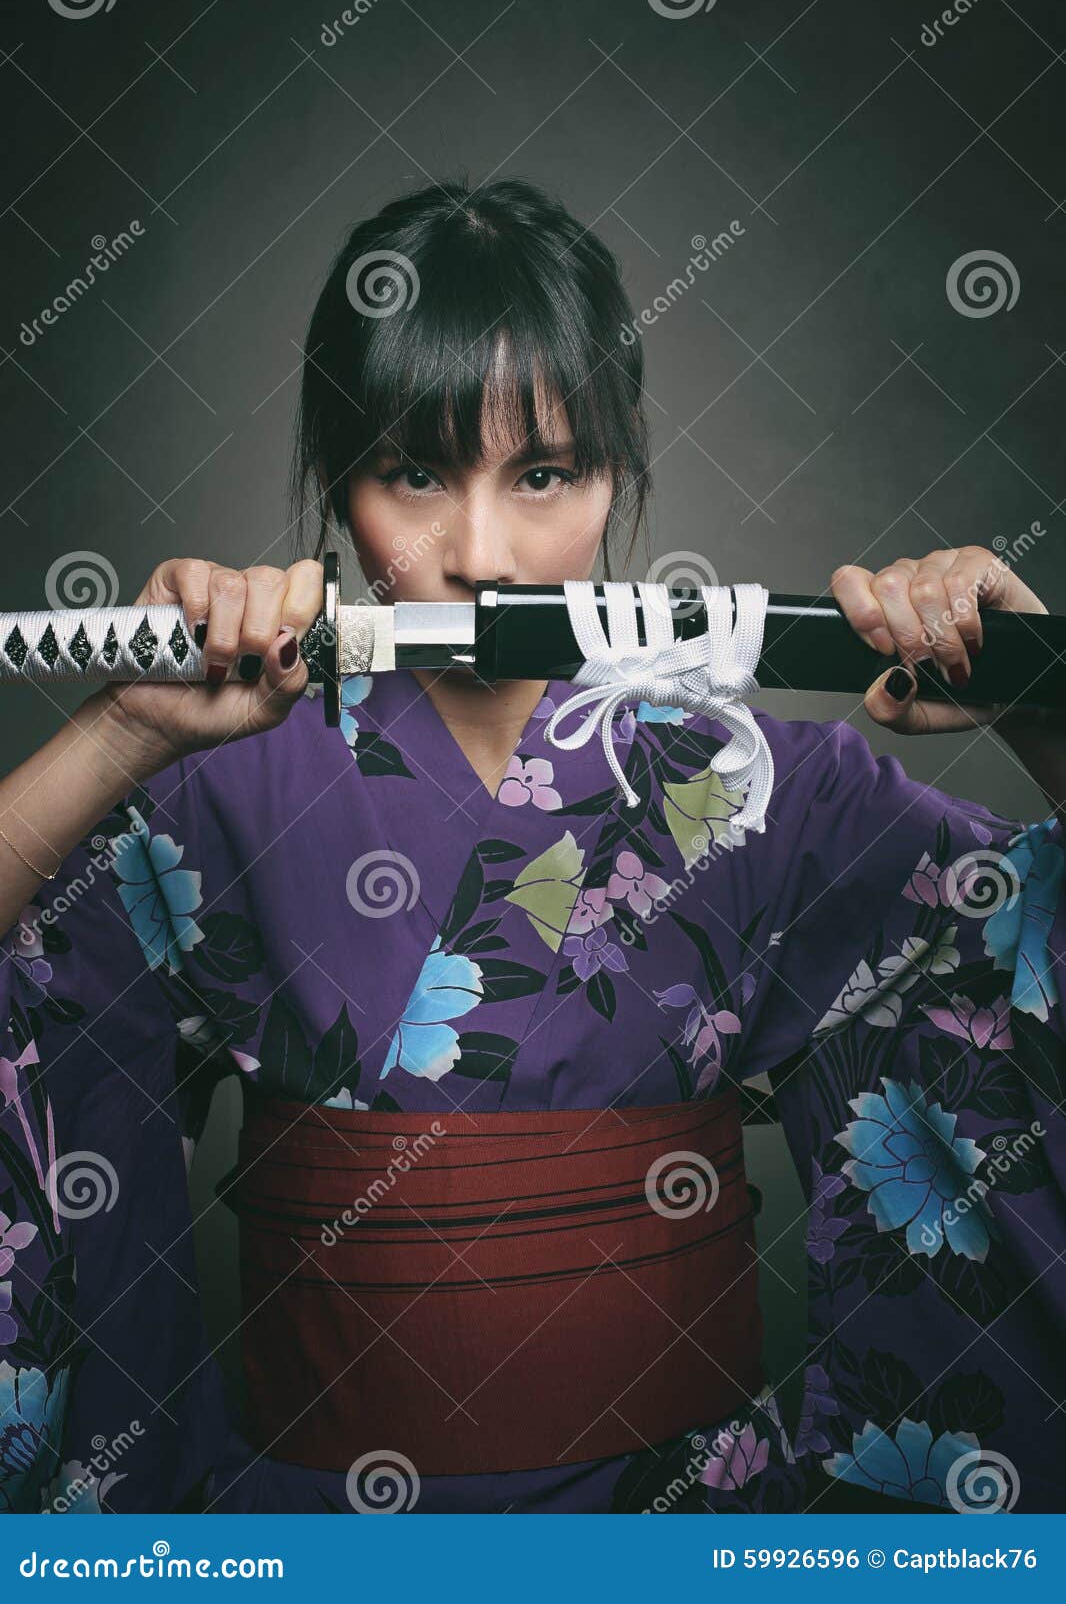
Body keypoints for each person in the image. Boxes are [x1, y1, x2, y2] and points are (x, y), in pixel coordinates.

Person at [0, 178, 1063, 1516]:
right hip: (316, 1529)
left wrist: (1037, 702)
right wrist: (120, 735)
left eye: (546, 473)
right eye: (414, 472)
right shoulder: (215, 783)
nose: (481, 551)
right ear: (340, 481)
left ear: (623, 476)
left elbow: (1030, 973)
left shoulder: (759, 784)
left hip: (682, 1524)